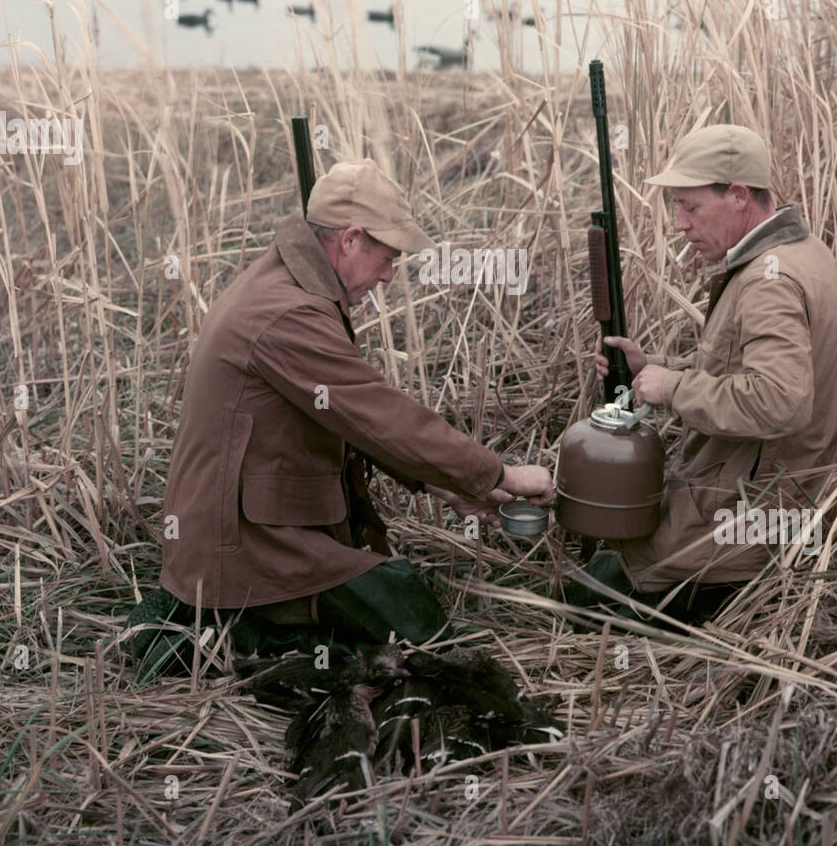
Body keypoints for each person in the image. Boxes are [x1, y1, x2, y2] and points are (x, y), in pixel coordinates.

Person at [128, 158, 552, 672]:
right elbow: (380, 413)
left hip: (250, 527)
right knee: (414, 621)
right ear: (350, 240)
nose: (390, 275)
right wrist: (498, 473)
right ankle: (232, 639)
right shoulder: (290, 313)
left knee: (399, 606)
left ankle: (238, 621)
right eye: (387, 256)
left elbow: (344, 419)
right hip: (240, 543)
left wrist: (444, 484)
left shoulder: (287, 285)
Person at [567, 124, 837, 626]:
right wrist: (655, 370)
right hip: (785, 501)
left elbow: (779, 401)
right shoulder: (800, 253)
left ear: (739, 196)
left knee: (582, 598)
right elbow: (747, 371)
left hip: (750, 529)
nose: (679, 225)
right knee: (601, 567)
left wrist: (674, 388)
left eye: (690, 206)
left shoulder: (769, 282)